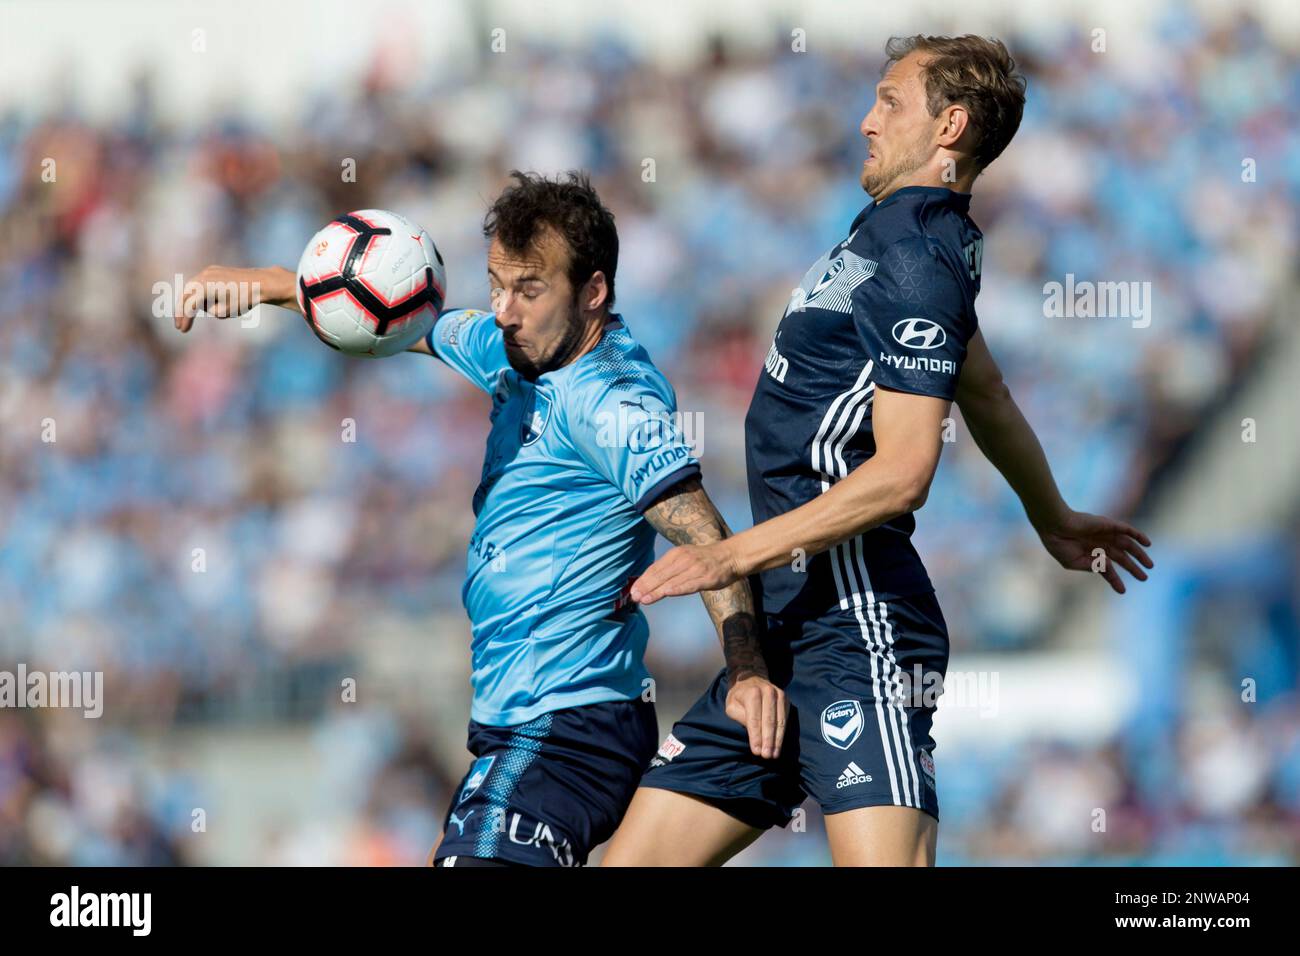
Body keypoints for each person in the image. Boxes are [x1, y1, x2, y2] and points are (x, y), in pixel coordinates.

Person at [601, 36, 1153, 867]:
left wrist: (729, 557)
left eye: (890, 101)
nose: (866, 121)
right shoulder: (912, 238)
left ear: (950, 126)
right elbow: (989, 393)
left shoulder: (916, 258)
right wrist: (1054, 515)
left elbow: (902, 475)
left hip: (860, 632)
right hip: (784, 630)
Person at [173, 170, 784, 867]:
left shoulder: (612, 404)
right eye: (496, 284)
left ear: (593, 292)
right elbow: (405, 319)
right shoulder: (517, 348)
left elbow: (707, 536)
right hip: (522, 721)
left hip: (564, 727)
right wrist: (275, 283)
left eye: (529, 290)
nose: (502, 309)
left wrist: (747, 669)